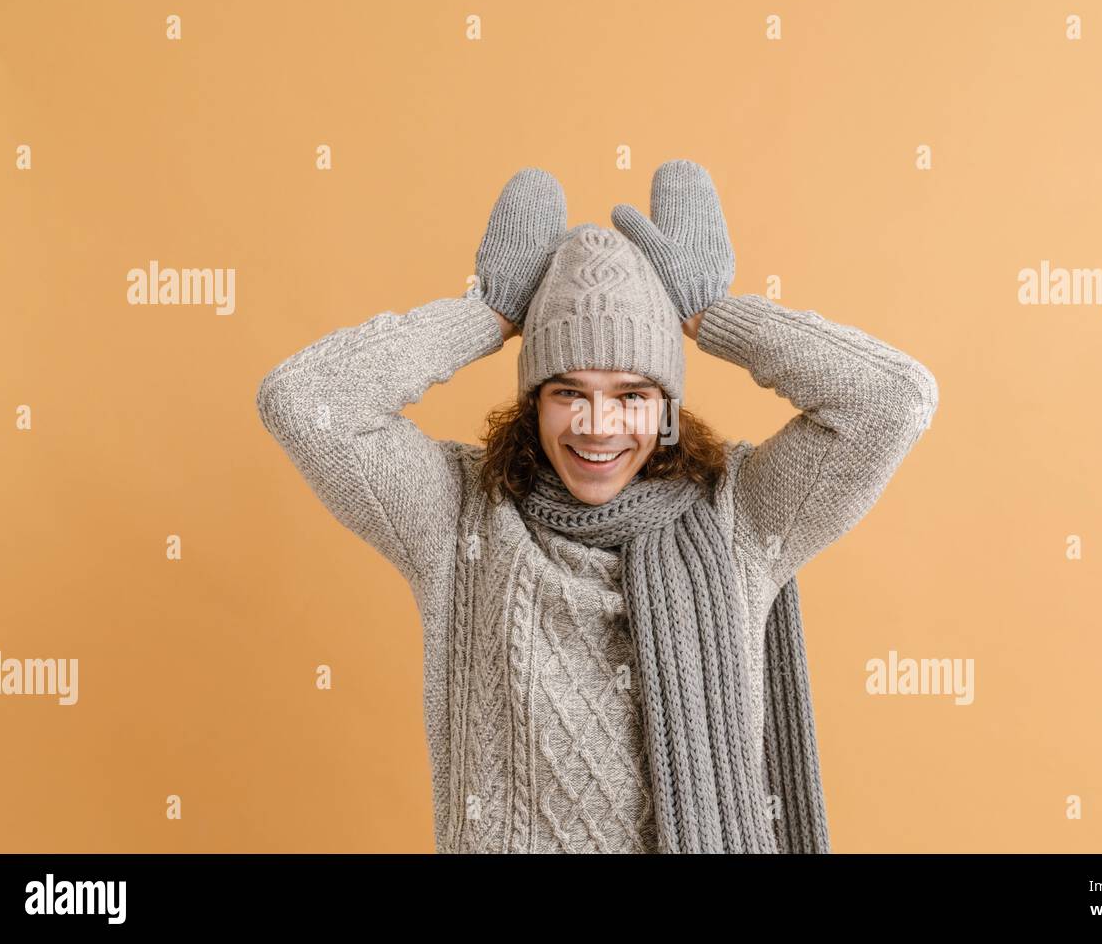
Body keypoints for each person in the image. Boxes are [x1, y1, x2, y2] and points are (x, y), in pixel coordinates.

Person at [255, 160, 939, 854]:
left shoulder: (744, 515)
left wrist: (713, 316)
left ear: (667, 407)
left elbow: (893, 401)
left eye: (632, 394)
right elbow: (307, 402)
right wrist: (485, 315)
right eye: (568, 391)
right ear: (533, 403)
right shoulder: (457, 517)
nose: (597, 424)